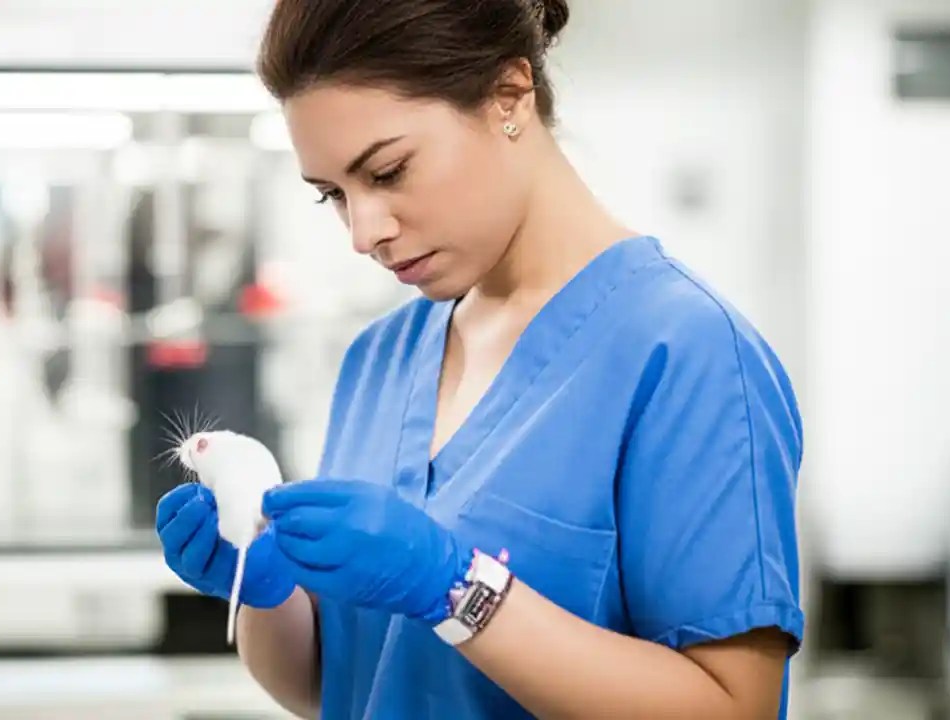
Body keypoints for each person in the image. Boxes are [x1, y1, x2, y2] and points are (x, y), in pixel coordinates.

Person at [155, 0, 805, 717]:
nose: (364, 232)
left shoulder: (687, 355)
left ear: (509, 94)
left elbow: (733, 707)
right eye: (333, 196)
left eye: (390, 171)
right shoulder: (380, 359)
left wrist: (458, 588)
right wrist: (266, 585)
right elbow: (335, 688)